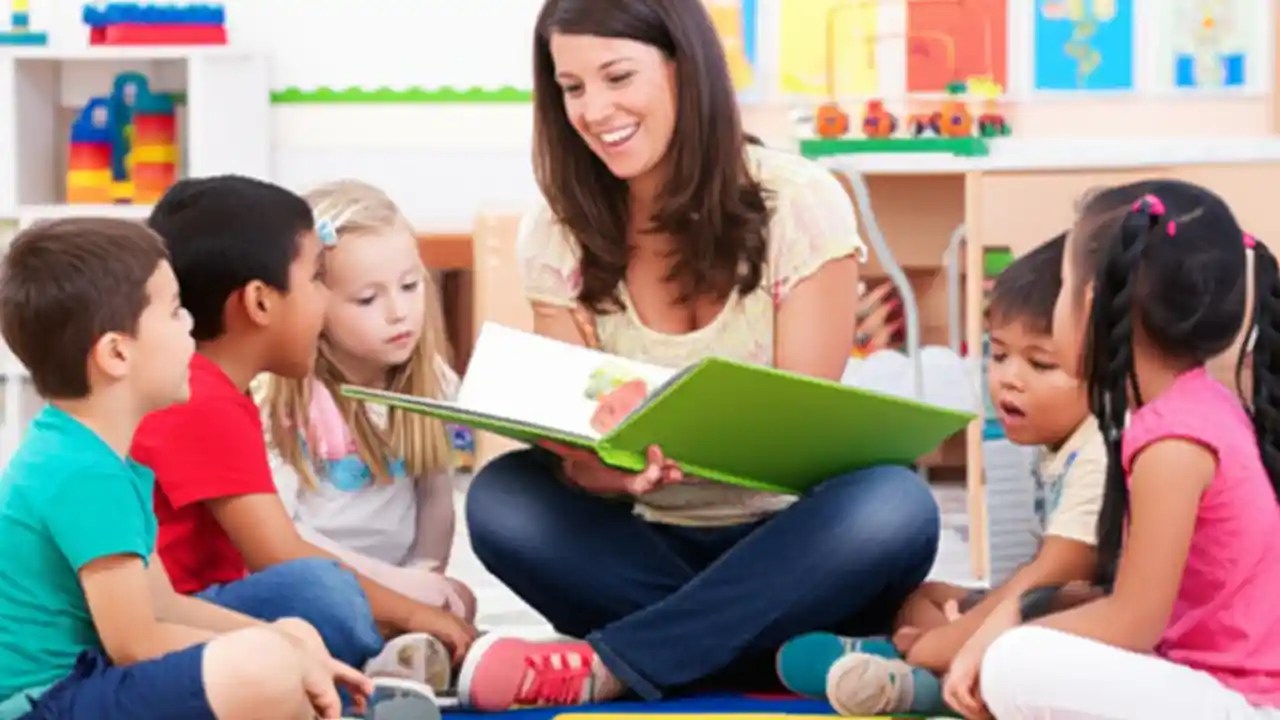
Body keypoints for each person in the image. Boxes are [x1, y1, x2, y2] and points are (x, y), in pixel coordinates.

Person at [455, 0, 940, 711]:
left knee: (894, 506)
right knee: (505, 500)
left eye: (618, 76)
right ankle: (785, 649)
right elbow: (575, 443)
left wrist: (692, 424)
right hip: (643, 541)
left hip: (790, 536)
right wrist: (606, 472)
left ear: (684, 67)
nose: (594, 110)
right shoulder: (557, 231)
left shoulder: (800, 202)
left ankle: (621, 662)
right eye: (572, 87)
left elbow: (803, 430)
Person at [0, 218, 371, 720]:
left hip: (87, 681)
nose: (190, 326)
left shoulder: (96, 455)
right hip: (49, 702)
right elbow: (136, 642)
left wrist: (288, 644)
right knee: (265, 666)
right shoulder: (83, 473)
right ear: (116, 353)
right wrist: (278, 657)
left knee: (292, 635)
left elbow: (164, 605)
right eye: (175, 313)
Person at [128, 176, 475, 698]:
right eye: (317, 282)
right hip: (188, 618)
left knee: (329, 594)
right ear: (261, 303)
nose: (323, 303)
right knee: (321, 591)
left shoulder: (219, 392)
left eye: (409, 287)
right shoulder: (203, 400)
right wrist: (408, 607)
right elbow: (279, 553)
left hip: (213, 604)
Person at [949, 180, 1280, 719]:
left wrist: (1006, 629)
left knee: (1015, 661)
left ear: (1088, 305)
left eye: (1059, 287)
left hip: (1239, 704)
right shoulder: (1191, 409)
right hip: (1212, 687)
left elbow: (1133, 621)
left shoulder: (1173, 440)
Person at [774, 234, 1106, 715]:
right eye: (999, 355)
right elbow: (1026, 575)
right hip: (1042, 600)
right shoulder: (1052, 443)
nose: (1009, 378)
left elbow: (1052, 579)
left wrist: (944, 640)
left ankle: (911, 675)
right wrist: (961, 618)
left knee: (1013, 650)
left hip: (1078, 618)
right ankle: (915, 672)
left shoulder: (1096, 451)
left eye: (1040, 363)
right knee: (926, 596)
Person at [260, 179, 477, 690]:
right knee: (324, 611)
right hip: (318, 578)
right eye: (366, 299)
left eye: (410, 285)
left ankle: (392, 655)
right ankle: (376, 656)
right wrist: (396, 589)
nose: (399, 312)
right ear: (315, 304)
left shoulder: (435, 382)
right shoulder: (285, 399)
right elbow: (284, 533)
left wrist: (426, 573)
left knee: (459, 598)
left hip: (398, 578)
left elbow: (436, 500)